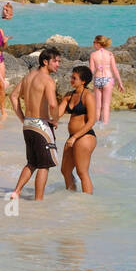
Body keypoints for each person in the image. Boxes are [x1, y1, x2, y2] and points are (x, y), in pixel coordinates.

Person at [8, 47, 61, 202]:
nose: (58, 64)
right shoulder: (48, 80)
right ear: (45, 62)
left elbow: (13, 96)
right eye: (55, 61)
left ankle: (16, 192)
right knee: (44, 165)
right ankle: (39, 200)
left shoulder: (29, 76)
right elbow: (52, 104)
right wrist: (56, 120)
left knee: (32, 163)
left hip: (28, 125)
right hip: (41, 126)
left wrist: (22, 118)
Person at [58, 65, 98, 193]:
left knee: (82, 172)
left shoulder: (88, 96)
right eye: (71, 77)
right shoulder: (69, 95)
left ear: (83, 81)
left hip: (85, 136)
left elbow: (92, 121)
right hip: (72, 137)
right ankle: (73, 198)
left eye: (74, 78)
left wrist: (75, 137)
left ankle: (87, 203)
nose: (71, 80)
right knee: (65, 170)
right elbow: (57, 114)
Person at [89, 35, 124, 124]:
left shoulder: (93, 55)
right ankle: (105, 126)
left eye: (94, 42)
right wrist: (120, 82)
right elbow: (115, 69)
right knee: (106, 106)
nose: (93, 44)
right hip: (108, 80)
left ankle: (96, 126)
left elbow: (91, 71)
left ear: (98, 43)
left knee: (98, 106)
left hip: (98, 79)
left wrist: (85, 82)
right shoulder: (110, 54)